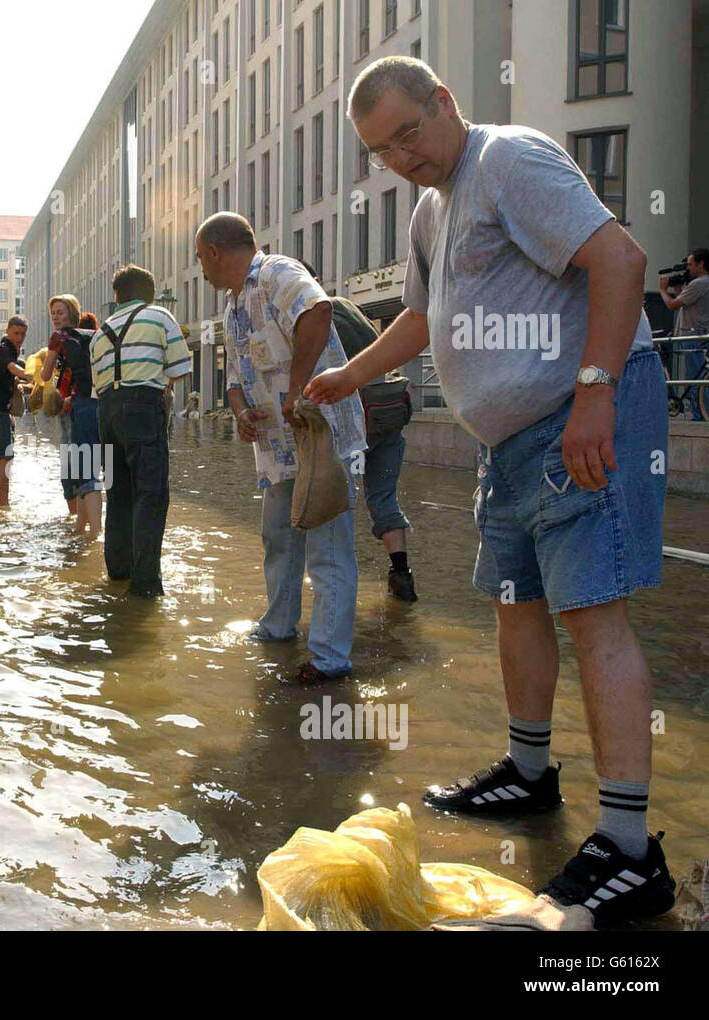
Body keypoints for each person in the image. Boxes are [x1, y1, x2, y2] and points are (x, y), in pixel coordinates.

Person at [305, 56, 674, 924]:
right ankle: (530, 773)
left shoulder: (508, 158)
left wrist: (594, 392)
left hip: (575, 415)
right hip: (508, 444)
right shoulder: (431, 213)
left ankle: (628, 848)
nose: (403, 156)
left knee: (594, 615)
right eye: (382, 149)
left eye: (409, 132)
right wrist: (348, 377)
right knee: (517, 607)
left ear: (445, 103)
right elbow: (422, 321)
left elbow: (620, 257)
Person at [197, 214, 366, 684]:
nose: (201, 270)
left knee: (328, 551)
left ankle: (330, 659)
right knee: (279, 541)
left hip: (319, 436)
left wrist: (296, 391)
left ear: (214, 252)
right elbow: (235, 377)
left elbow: (318, 310)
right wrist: (239, 411)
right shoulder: (232, 307)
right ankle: (277, 627)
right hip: (275, 449)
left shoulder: (276, 272)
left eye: (200, 259)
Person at [301, 260, 417, 601]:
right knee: (383, 496)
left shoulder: (312, 316)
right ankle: (401, 575)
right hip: (388, 410)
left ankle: (337, 586)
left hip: (354, 416)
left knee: (340, 500)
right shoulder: (346, 305)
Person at [91, 264, 191, 597]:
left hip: (106, 413)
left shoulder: (99, 334)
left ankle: (117, 572)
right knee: (150, 494)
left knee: (118, 493)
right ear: (148, 294)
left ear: (116, 295)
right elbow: (178, 369)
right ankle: (145, 584)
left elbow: (98, 387)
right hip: (143, 407)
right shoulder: (160, 316)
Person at [40, 295, 103, 537]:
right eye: (53, 312)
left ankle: (95, 533)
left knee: (84, 471)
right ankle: (80, 529)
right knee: (88, 467)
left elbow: (45, 376)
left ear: (72, 314)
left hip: (82, 405)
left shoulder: (59, 337)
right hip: (101, 403)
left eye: (60, 312)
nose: (55, 316)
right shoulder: (94, 336)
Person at [0, 317, 32, 506]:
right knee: (6, 457)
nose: (20, 338)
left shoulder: (9, 350)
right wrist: (28, 374)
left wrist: (21, 385)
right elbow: (12, 367)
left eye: (23, 334)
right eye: (16, 333)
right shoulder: (4, 350)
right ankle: (3, 503)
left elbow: (7, 376)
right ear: (8, 331)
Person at [658, 247, 709, 420]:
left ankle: (698, 415)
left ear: (701, 264)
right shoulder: (703, 284)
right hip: (699, 334)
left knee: (695, 378)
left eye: (691, 264)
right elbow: (687, 303)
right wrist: (679, 290)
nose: (688, 268)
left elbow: (672, 304)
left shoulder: (699, 283)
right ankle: (701, 411)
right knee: (699, 377)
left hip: (692, 335)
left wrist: (663, 290)